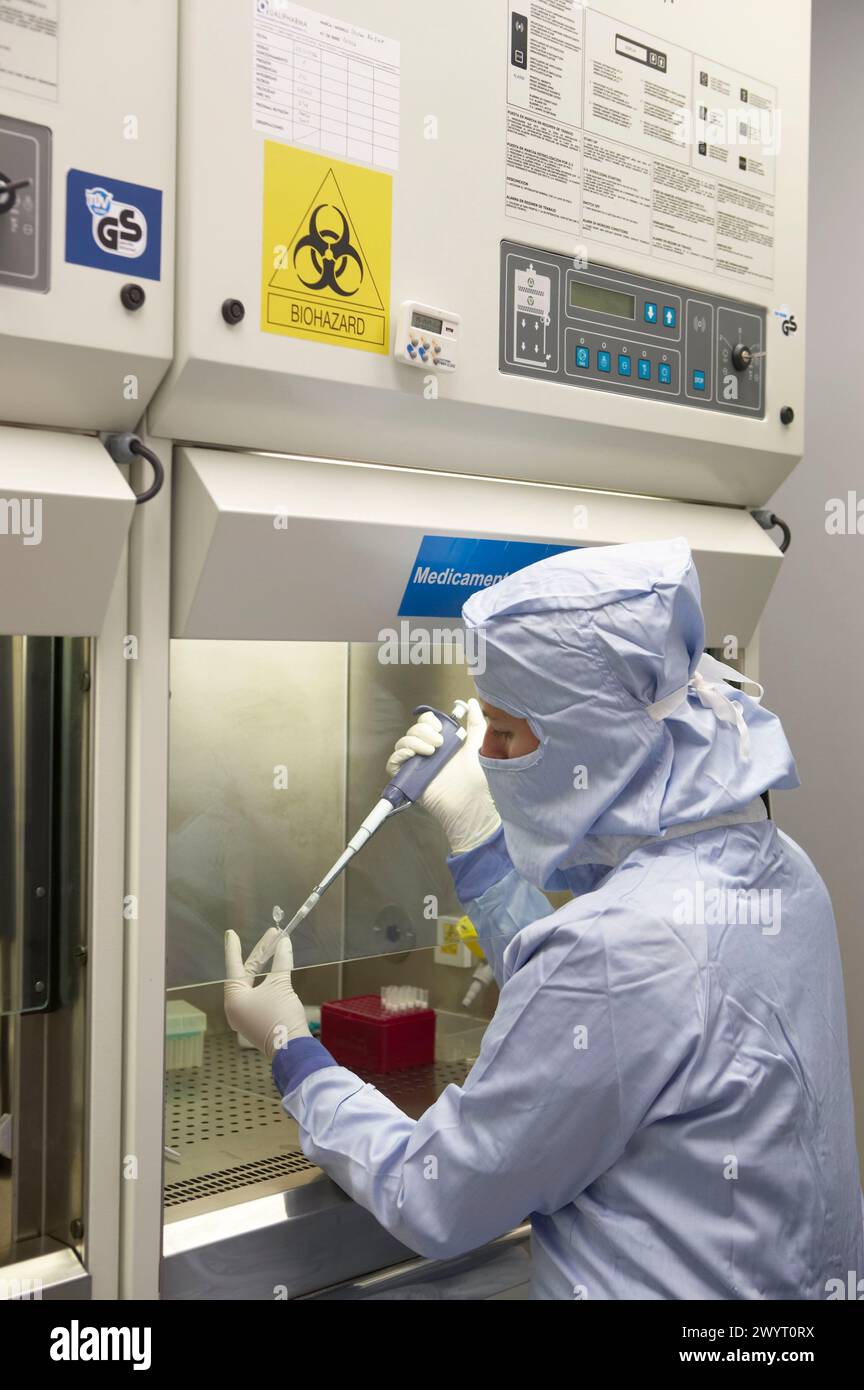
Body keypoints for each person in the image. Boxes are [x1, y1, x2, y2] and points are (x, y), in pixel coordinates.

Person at [224, 538, 864, 1300]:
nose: (486, 755)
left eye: (503, 730)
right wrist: (476, 841)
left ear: (590, 737)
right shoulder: (778, 864)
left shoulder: (619, 949)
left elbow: (434, 1194)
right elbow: (598, 1014)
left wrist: (293, 1050)